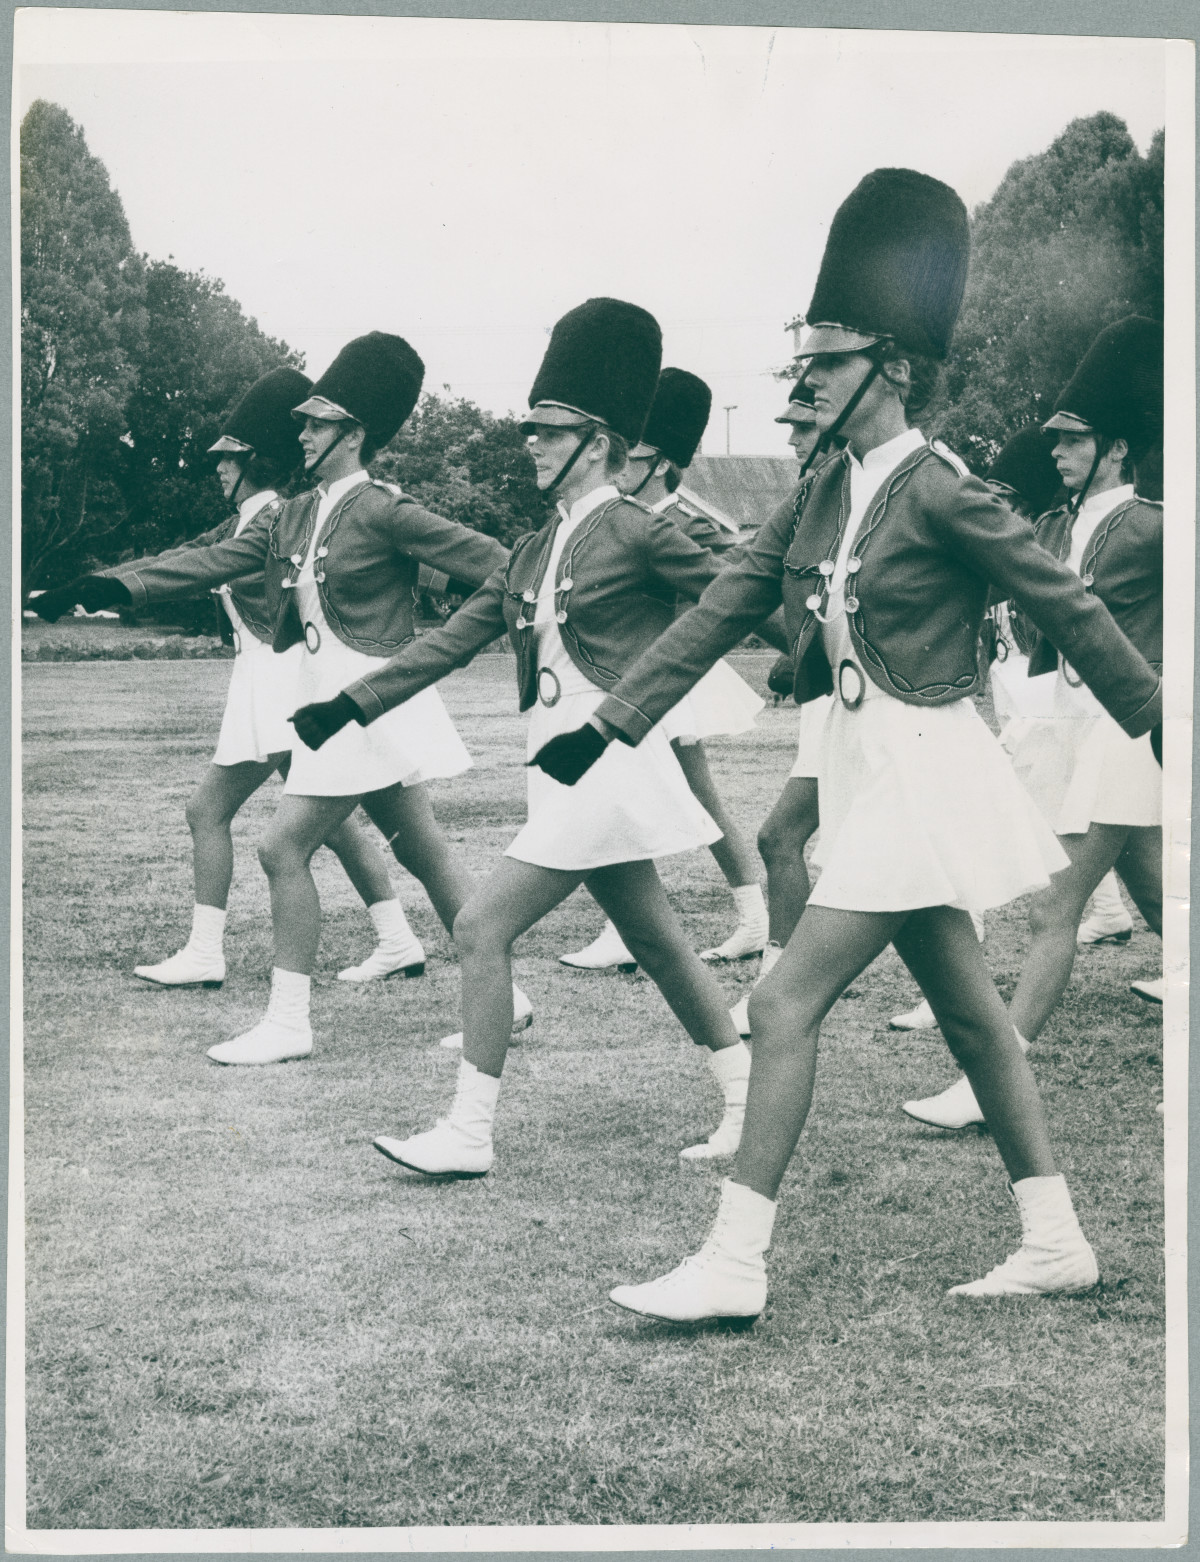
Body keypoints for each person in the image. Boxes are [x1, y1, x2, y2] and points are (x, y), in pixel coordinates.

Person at [532, 170, 1162, 1319]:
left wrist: (1158, 714)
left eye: (826, 361)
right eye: (802, 360)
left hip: (924, 766)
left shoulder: (943, 488)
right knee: (974, 1016)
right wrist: (608, 723)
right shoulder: (823, 485)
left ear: (894, 369)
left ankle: (733, 1262)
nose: (803, 380)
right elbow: (725, 596)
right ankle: (1058, 1236)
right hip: (872, 768)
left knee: (781, 1003)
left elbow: (1068, 605)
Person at [292, 299, 753, 1171]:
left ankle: (469, 1131)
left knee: (481, 927)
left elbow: (736, 596)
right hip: (563, 767)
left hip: (606, 764)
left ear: (599, 441)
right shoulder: (539, 547)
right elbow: (453, 636)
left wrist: (810, 647)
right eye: (532, 430)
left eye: (550, 431)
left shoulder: (640, 529)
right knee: (655, 938)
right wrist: (351, 704)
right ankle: (742, 1087)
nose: (532, 444)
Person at [37, 333, 511, 1065]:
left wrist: (428, 651)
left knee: (281, 845)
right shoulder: (294, 515)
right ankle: (514, 1000)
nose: (301, 434)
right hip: (328, 701)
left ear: (355, 435)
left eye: (318, 424)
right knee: (420, 848)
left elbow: (503, 571)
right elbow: (212, 561)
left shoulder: (387, 510)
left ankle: (290, 1023)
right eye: (304, 422)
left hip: (371, 697)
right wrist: (105, 585)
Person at [902, 318, 1163, 1128]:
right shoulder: (1055, 526)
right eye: (1056, 441)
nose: (1057, 453)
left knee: (1059, 908)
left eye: (1074, 441)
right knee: (1166, 902)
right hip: (1071, 727)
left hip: (1129, 733)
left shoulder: (1154, 525)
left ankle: (992, 1083)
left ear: (1117, 447)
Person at [97, 367, 425, 992]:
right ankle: (397, 937)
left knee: (215, 812)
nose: (217, 468)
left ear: (256, 461)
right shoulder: (254, 515)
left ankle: (206, 952)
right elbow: (184, 557)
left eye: (229, 458)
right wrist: (98, 588)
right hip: (267, 681)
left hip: (285, 682)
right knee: (338, 822)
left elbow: (206, 566)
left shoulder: (279, 515)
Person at [559, 368, 769, 973]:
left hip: (672, 677)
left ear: (663, 462)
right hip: (631, 675)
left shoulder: (686, 520)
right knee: (652, 795)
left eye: (641, 455)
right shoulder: (614, 518)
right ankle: (673, 922)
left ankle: (746, 917)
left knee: (690, 798)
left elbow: (735, 578)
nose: (626, 466)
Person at [731, 378, 830, 1036]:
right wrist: (795, 652)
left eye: (804, 425)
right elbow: (749, 579)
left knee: (780, 837)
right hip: (831, 704)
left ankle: (776, 984)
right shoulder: (810, 496)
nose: (791, 439)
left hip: (884, 705)